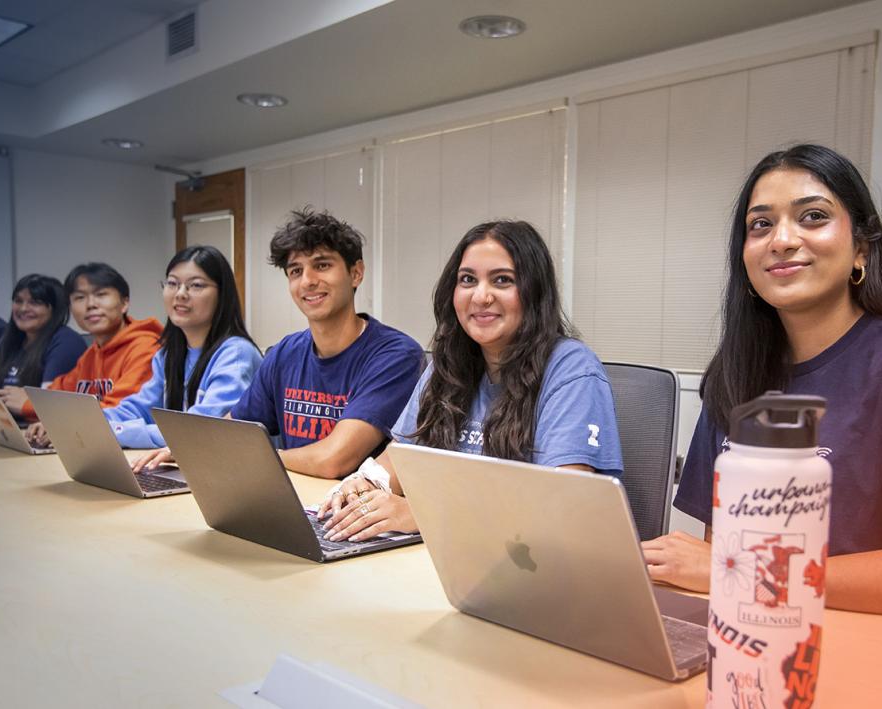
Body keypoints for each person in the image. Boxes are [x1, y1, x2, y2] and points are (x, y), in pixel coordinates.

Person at [643, 144, 882, 626]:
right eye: (760, 225)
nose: (781, 240)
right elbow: (722, 559)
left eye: (813, 217)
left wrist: (740, 573)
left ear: (861, 247)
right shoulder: (735, 375)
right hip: (762, 641)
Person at [320, 220, 623, 543]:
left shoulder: (570, 368)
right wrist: (366, 482)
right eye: (467, 280)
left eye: (502, 280)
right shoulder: (448, 362)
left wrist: (423, 514)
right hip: (455, 553)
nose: (481, 296)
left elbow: (563, 504)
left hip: (539, 566)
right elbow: (402, 455)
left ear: (535, 292)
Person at [221, 208, 423, 478]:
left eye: (322, 265)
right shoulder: (283, 353)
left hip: (352, 510)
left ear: (356, 273)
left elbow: (334, 460)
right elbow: (229, 433)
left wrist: (260, 457)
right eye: (295, 271)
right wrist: (188, 448)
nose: (308, 281)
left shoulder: (396, 355)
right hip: (291, 500)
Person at [106, 245, 261, 451]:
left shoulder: (236, 355)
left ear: (222, 294)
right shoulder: (169, 353)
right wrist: (91, 423)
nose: (180, 294)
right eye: (172, 283)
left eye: (195, 285)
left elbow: (196, 429)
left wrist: (117, 431)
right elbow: (140, 407)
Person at [23, 263, 163, 447]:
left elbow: (121, 410)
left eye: (101, 295)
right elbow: (58, 395)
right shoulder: (91, 354)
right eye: (80, 298)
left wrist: (27, 406)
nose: (91, 305)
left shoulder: (145, 347)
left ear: (124, 302)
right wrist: (31, 406)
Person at [0, 274, 86, 419]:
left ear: (55, 309)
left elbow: (50, 403)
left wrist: (27, 401)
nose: (23, 308)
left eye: (35, 302)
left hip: (38, 430)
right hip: (4, 424)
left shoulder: (66, 341)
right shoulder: (9, 340)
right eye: (18, 301)